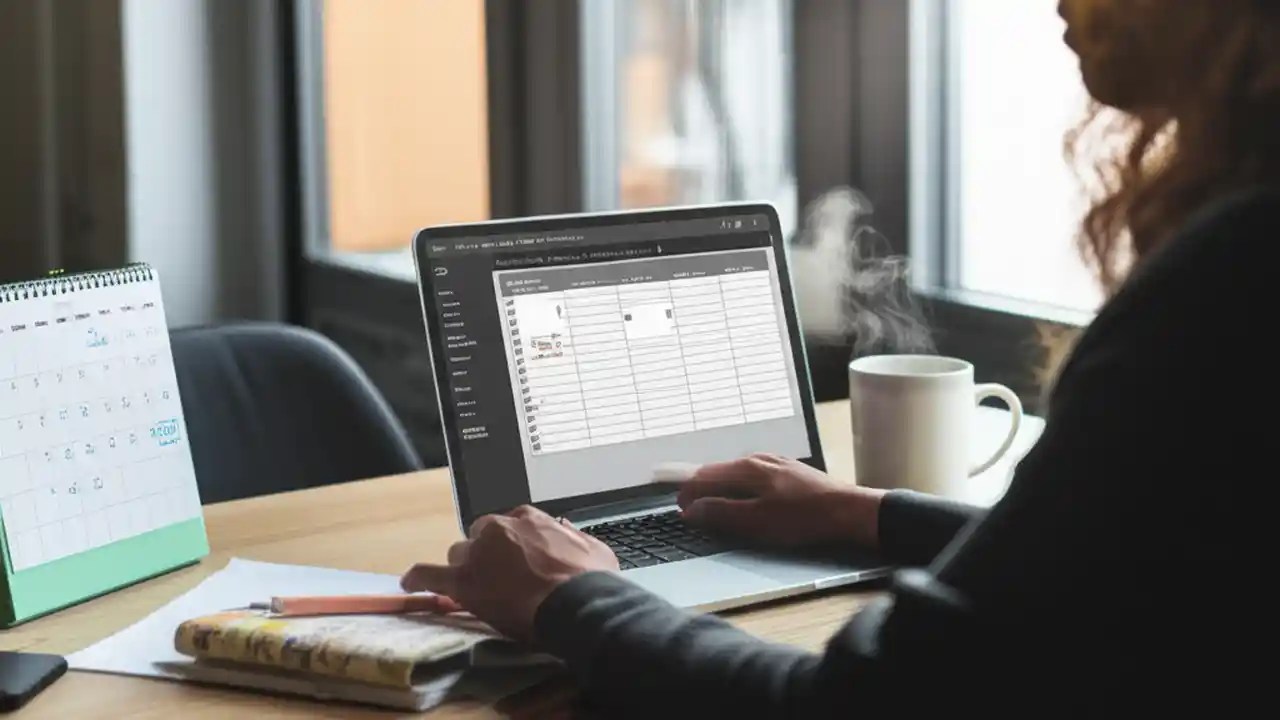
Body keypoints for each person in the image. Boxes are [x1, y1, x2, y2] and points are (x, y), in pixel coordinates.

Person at [402, 0, 1273, 715]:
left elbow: (854, 706)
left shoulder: (1222, 285)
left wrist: (576, 600)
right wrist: (869, 516)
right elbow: (1118, 562)